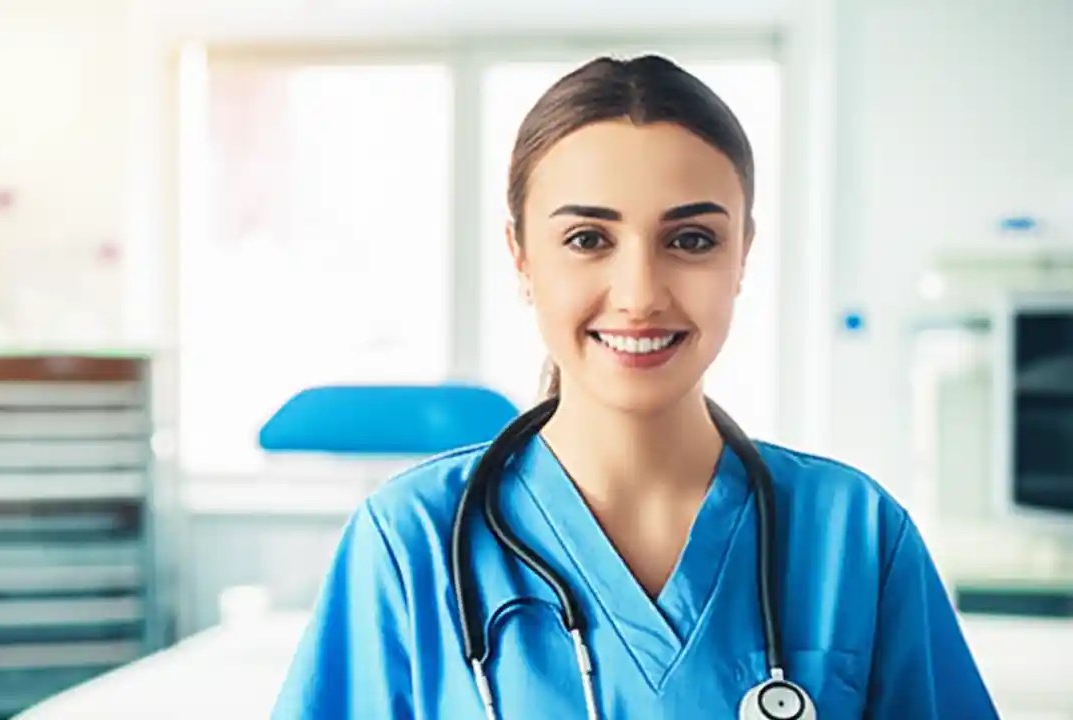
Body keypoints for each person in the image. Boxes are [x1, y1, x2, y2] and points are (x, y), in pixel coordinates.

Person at [271, 54, 998, 719]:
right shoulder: (411, 543)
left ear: (742, 254)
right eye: (588, 239)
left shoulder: (855, 539)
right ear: (521, 257)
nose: (640, 293)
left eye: (691, 240)